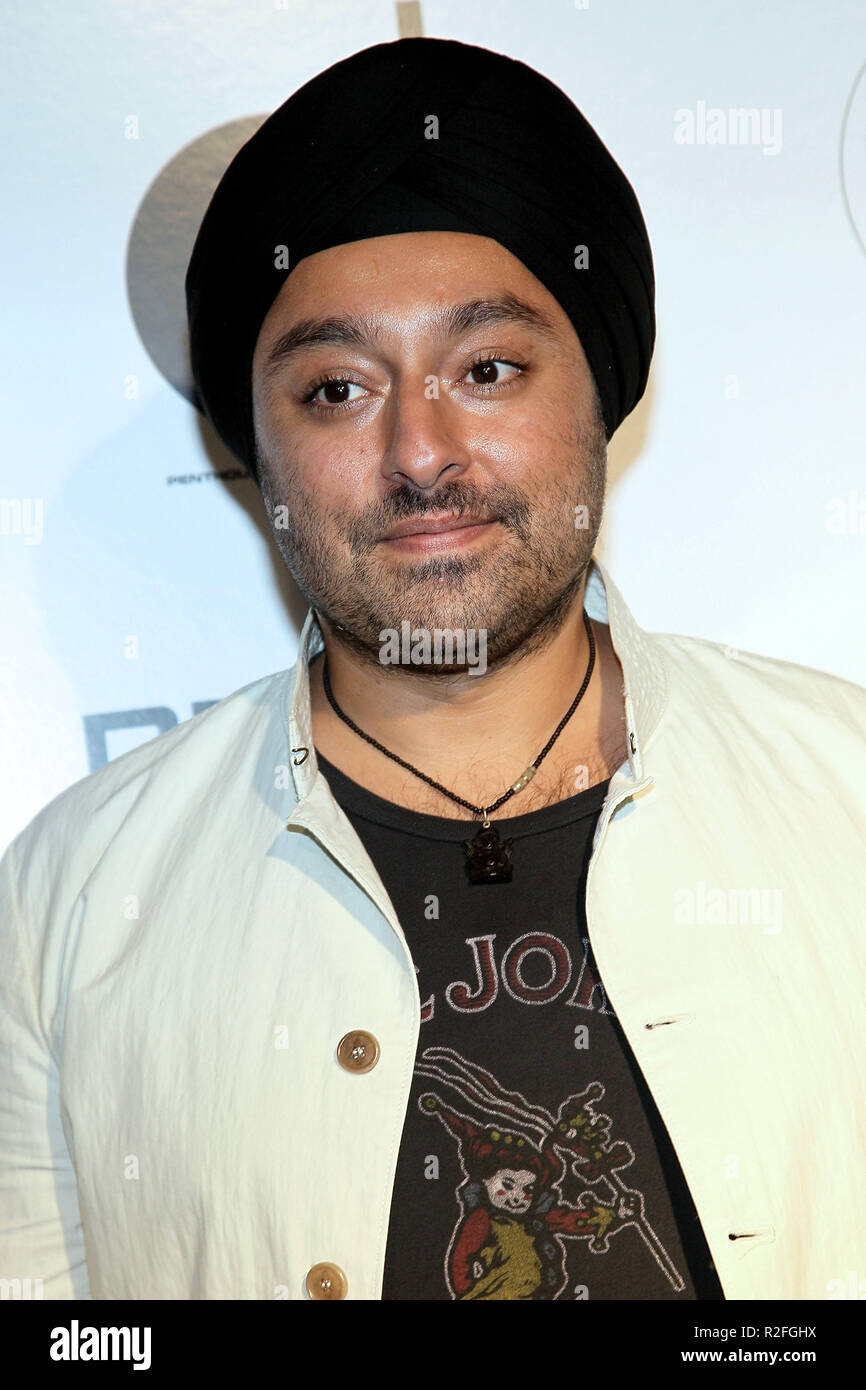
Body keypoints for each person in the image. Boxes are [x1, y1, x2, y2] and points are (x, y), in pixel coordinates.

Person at [1, 36, 865, 1304]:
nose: (419, 450)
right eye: (338, 388)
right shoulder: (68, 904)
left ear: (599, 397)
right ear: (263, 452)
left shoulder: (843, 797)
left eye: (488, 370)